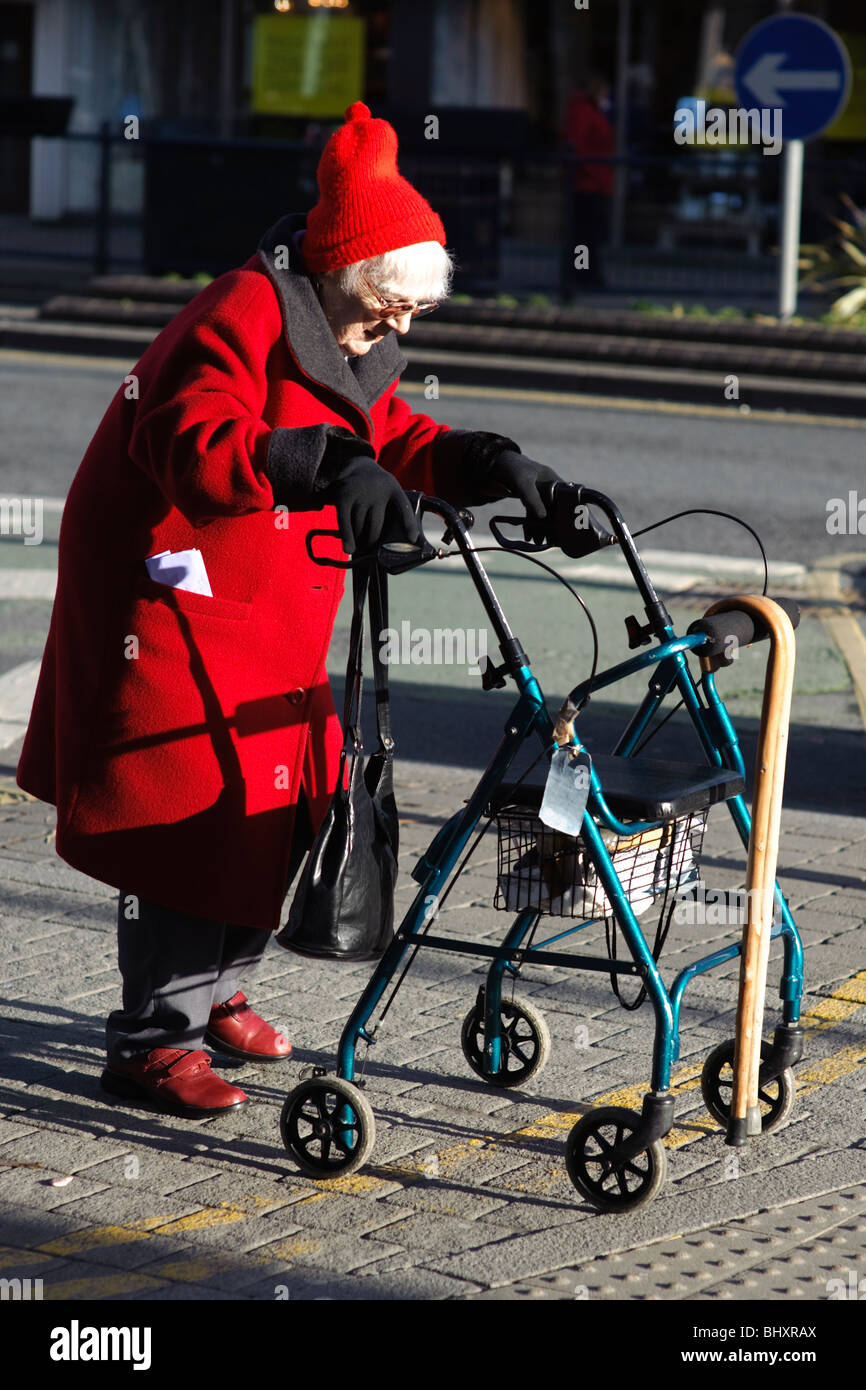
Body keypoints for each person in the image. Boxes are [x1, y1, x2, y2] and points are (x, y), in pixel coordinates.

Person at [16, 102, 563, 1118]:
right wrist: (314, 462)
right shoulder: (239, 307)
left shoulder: (340, 326)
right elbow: (188, 436)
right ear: (344, 273)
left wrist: (488, 462)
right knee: (192, 815)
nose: (398, 326)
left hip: (264, 607)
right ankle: (149, 1041)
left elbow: (386, 430)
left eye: (411, 312)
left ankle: (220, 993)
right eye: (388, 306)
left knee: (283, 799)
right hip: (179, 594)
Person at [562, 76, 615, 290]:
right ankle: (581, 274)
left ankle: (584, 273)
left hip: (592, 182)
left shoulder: (587, 111)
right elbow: (580, 146)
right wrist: (593, 174)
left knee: (587, 235)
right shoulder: (584, 112)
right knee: (584, 235)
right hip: (587, 184)